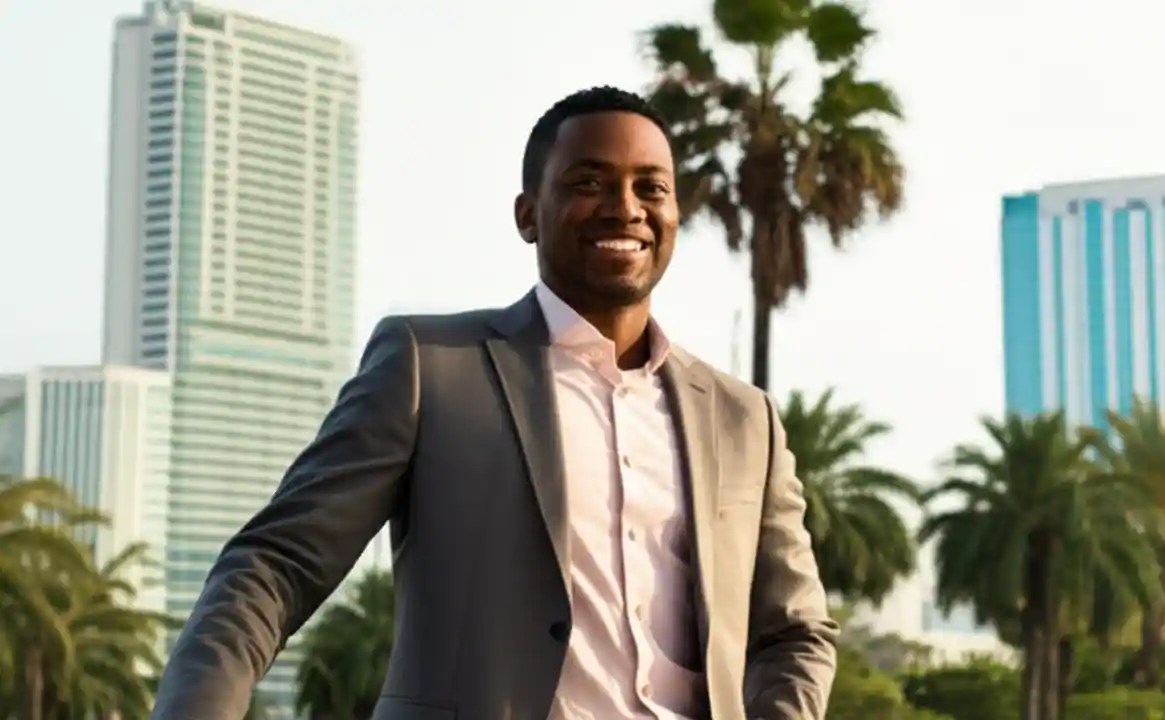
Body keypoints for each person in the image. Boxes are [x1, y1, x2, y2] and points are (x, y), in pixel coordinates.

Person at [150, 86, 838, 720]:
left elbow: (796, 631)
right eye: (588, 182)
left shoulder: (744, 421)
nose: (624, 207)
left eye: (649, 187)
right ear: (527, 215)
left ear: (674, 215)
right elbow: (276, 566)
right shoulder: (431, 369)